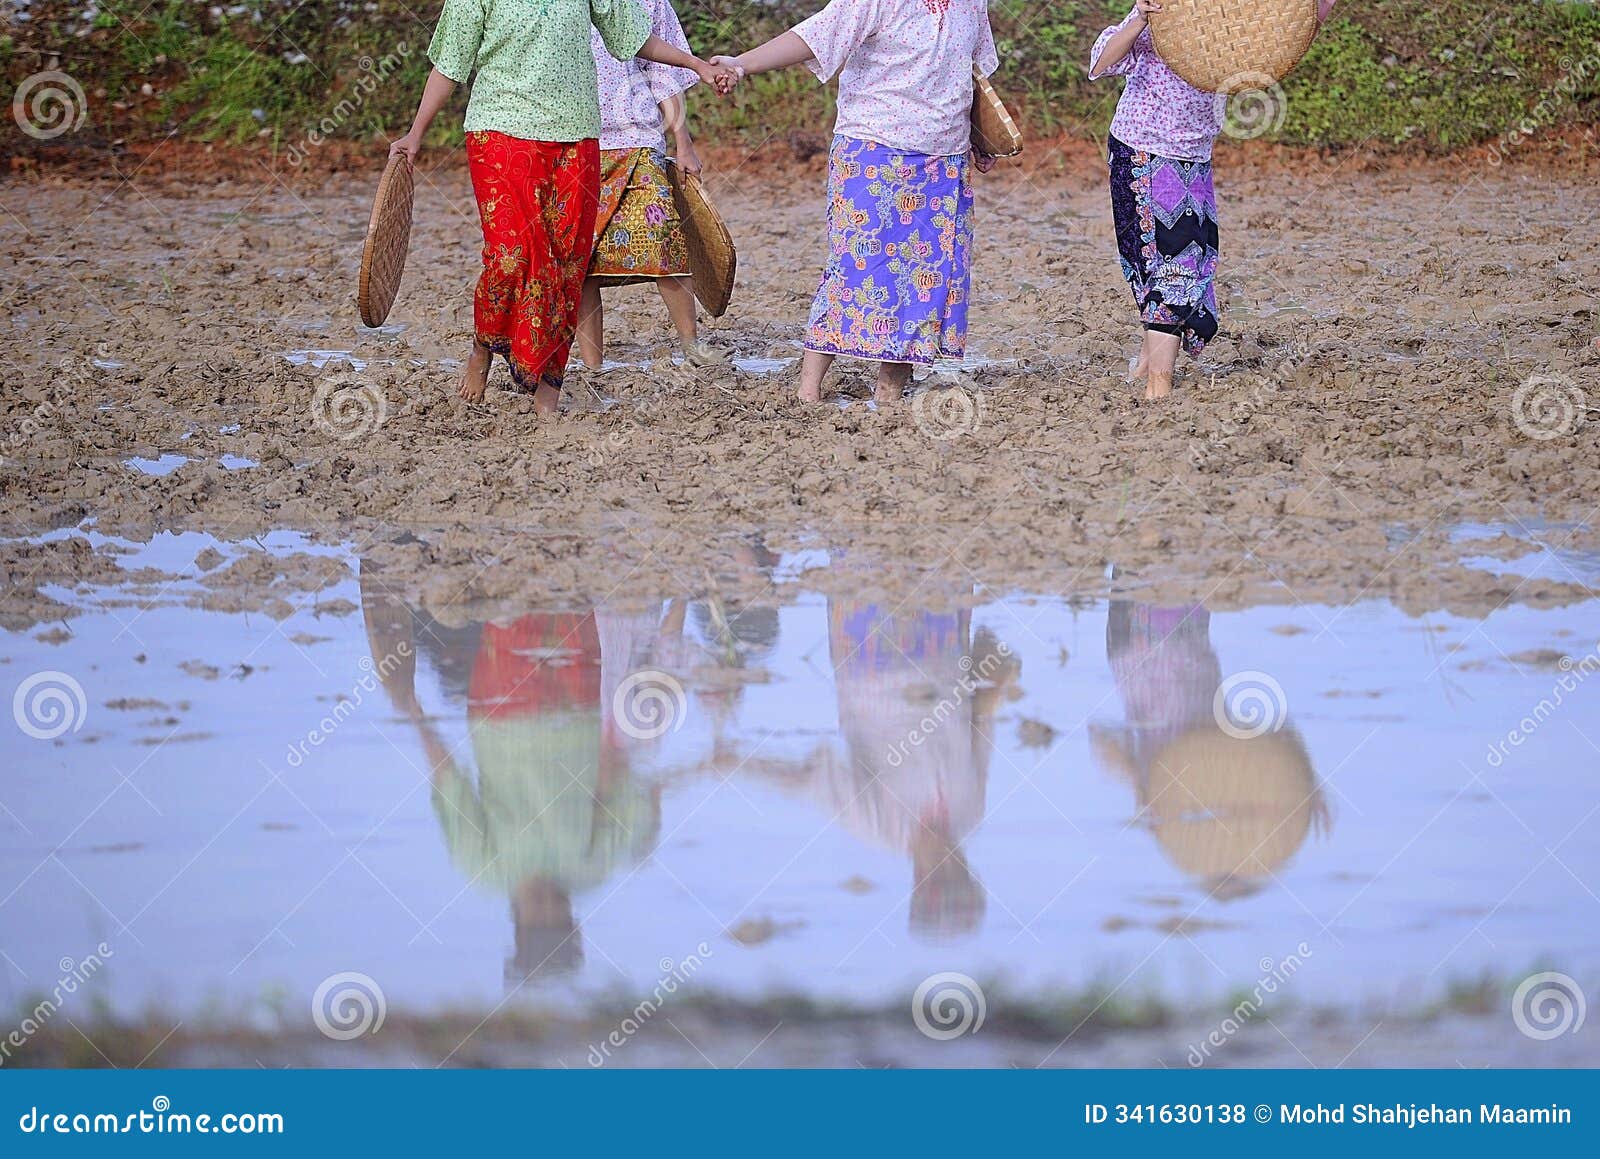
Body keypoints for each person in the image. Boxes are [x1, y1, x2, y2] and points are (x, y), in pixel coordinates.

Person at [387, 0, 735, 414]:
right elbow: (449, 64)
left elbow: (636, 38)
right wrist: (415, 133)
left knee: (567, 263)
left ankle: (547, 387)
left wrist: (697, 64)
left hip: (576, 138)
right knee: (510, 256)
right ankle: (484, 345)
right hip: (501, 133)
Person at [713, 0, 1000, 404]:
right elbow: (814, 35)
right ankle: (808, 390)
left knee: (925, 279)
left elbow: (972, 73)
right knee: (852, 266)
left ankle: (889, 392)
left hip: (943, 160)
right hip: (873, 150)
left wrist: (981, 135)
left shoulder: (973, 3)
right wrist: (741, 64)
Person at [1091, 0, 1336, 400]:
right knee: (1173, 265)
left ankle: (1142, 368)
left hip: (1195, 156)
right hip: (1144, 150)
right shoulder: (1162, 13)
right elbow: (1101, 62)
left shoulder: (1227, 21)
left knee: (1194, 258)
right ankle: (1159, 387)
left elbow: (1297, 24)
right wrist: (1139, 16)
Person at [577, 0, 727, 370]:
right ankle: (593, 365)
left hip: (639, 136)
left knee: (665, 240)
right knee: (581, 258)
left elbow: (662, 72)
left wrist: (683, 142)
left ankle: (692, 348)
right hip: (577, 139)